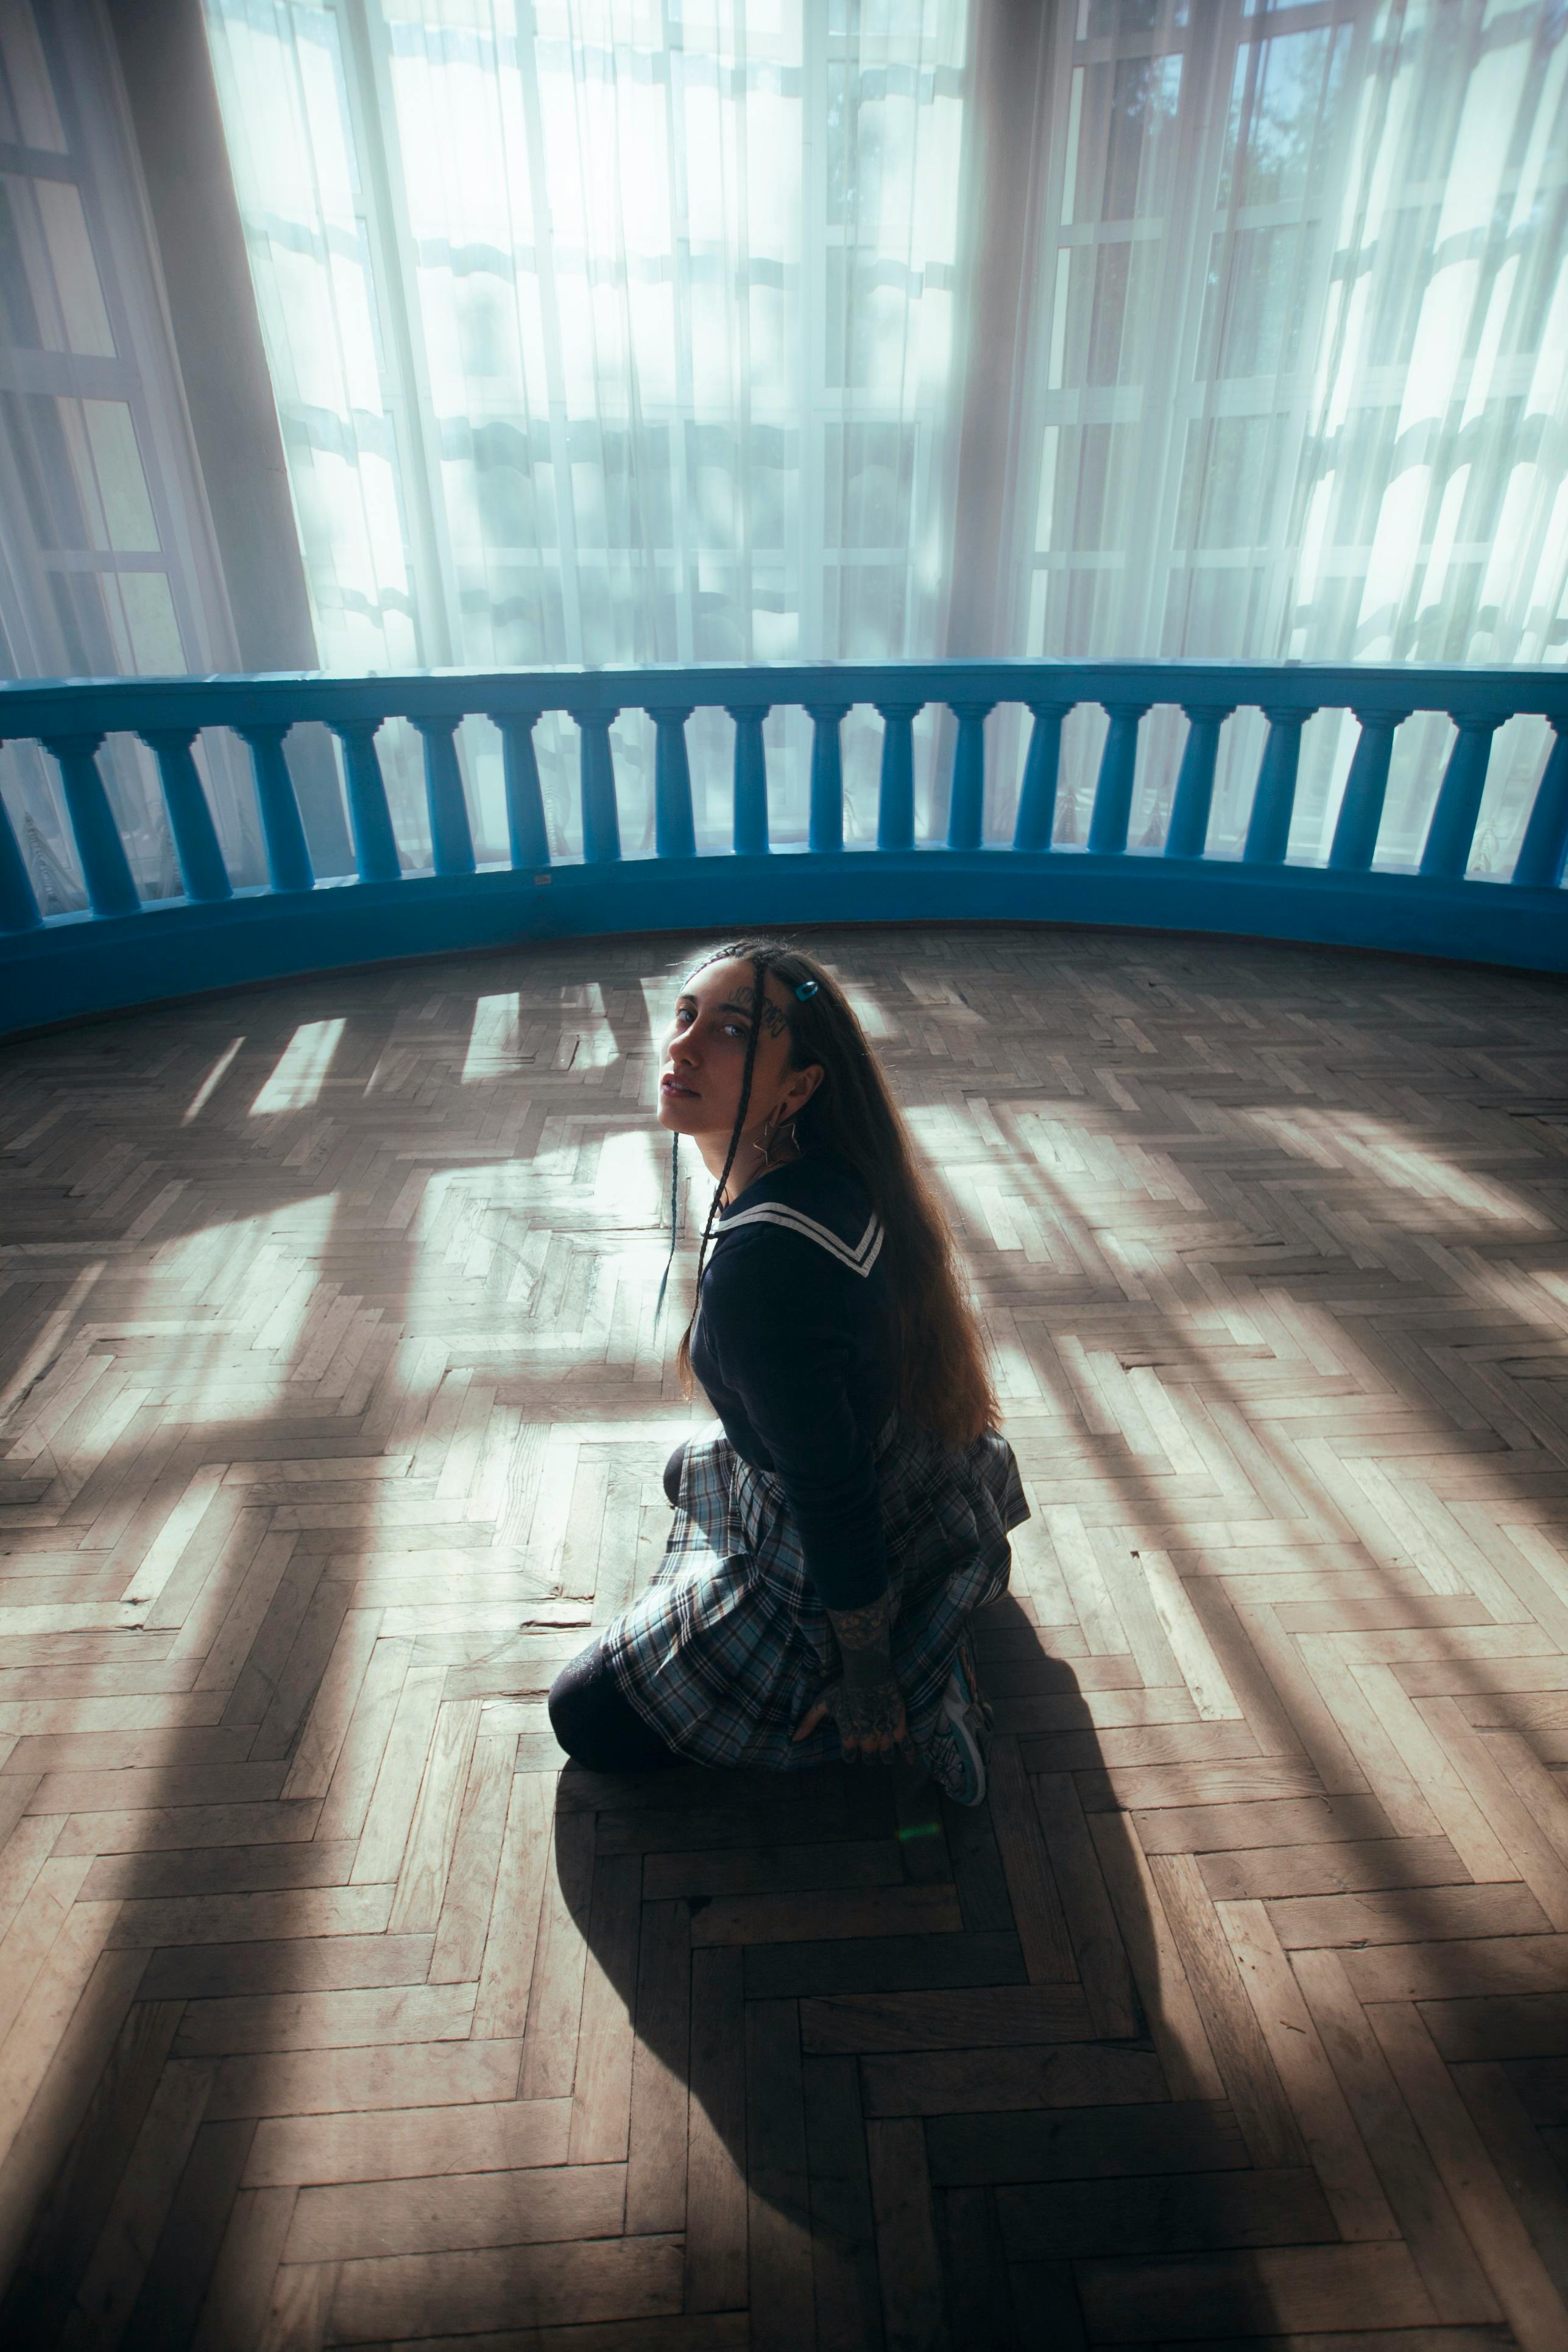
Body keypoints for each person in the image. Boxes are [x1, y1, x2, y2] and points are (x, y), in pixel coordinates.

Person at [546, 936, 1027, 1803]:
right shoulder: (829, 1168)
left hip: (844, 1530)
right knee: (684, 1469)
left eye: (730, 1031)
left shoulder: (760, 1274)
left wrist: (871, 1680)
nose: (681, 1047)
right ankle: (932, 1611)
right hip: (910, 1461)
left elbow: (833, 1499)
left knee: (583, 1715)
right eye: (685, 1015)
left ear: (799, 1087)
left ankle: (924, 1682)